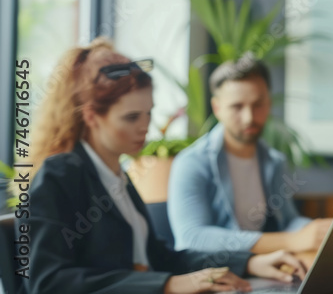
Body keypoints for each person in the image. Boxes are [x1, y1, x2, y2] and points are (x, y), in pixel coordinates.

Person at [15, 38, 305, 294]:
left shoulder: (115, 176)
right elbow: (47, 283)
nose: (144, 127)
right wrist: (167, 285)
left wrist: (251, 262)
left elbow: (162, 259)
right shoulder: (60, 176)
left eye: (148, 113)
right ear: (92, 116)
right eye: (131, 117)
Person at [168, 56, 332, 254]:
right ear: (217, 108)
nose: (249, 118)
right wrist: (290, 241)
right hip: (221, 276)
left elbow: (288, 221)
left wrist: (319, 231)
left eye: (258, 105)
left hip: (266, 268)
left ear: (269, 104)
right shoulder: (192, 163)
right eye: (237, 107)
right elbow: (192, 237)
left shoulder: (273, 161)